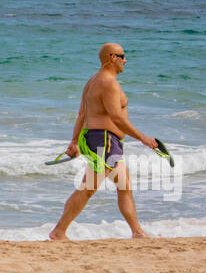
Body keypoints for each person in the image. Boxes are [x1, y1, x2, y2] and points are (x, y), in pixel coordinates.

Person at [49, 42, 158, 241]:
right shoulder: (108, 82)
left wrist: (75, 140)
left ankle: (138, 232)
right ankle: (59, 231)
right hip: (105, 141)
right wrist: (143, 137)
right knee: (88, 187)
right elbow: (116, 117)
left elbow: (82, 114)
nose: (126, 60)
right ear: (111, 57)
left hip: (104, 141)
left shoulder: (93, 80)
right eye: (122, 55)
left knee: (124, 185)